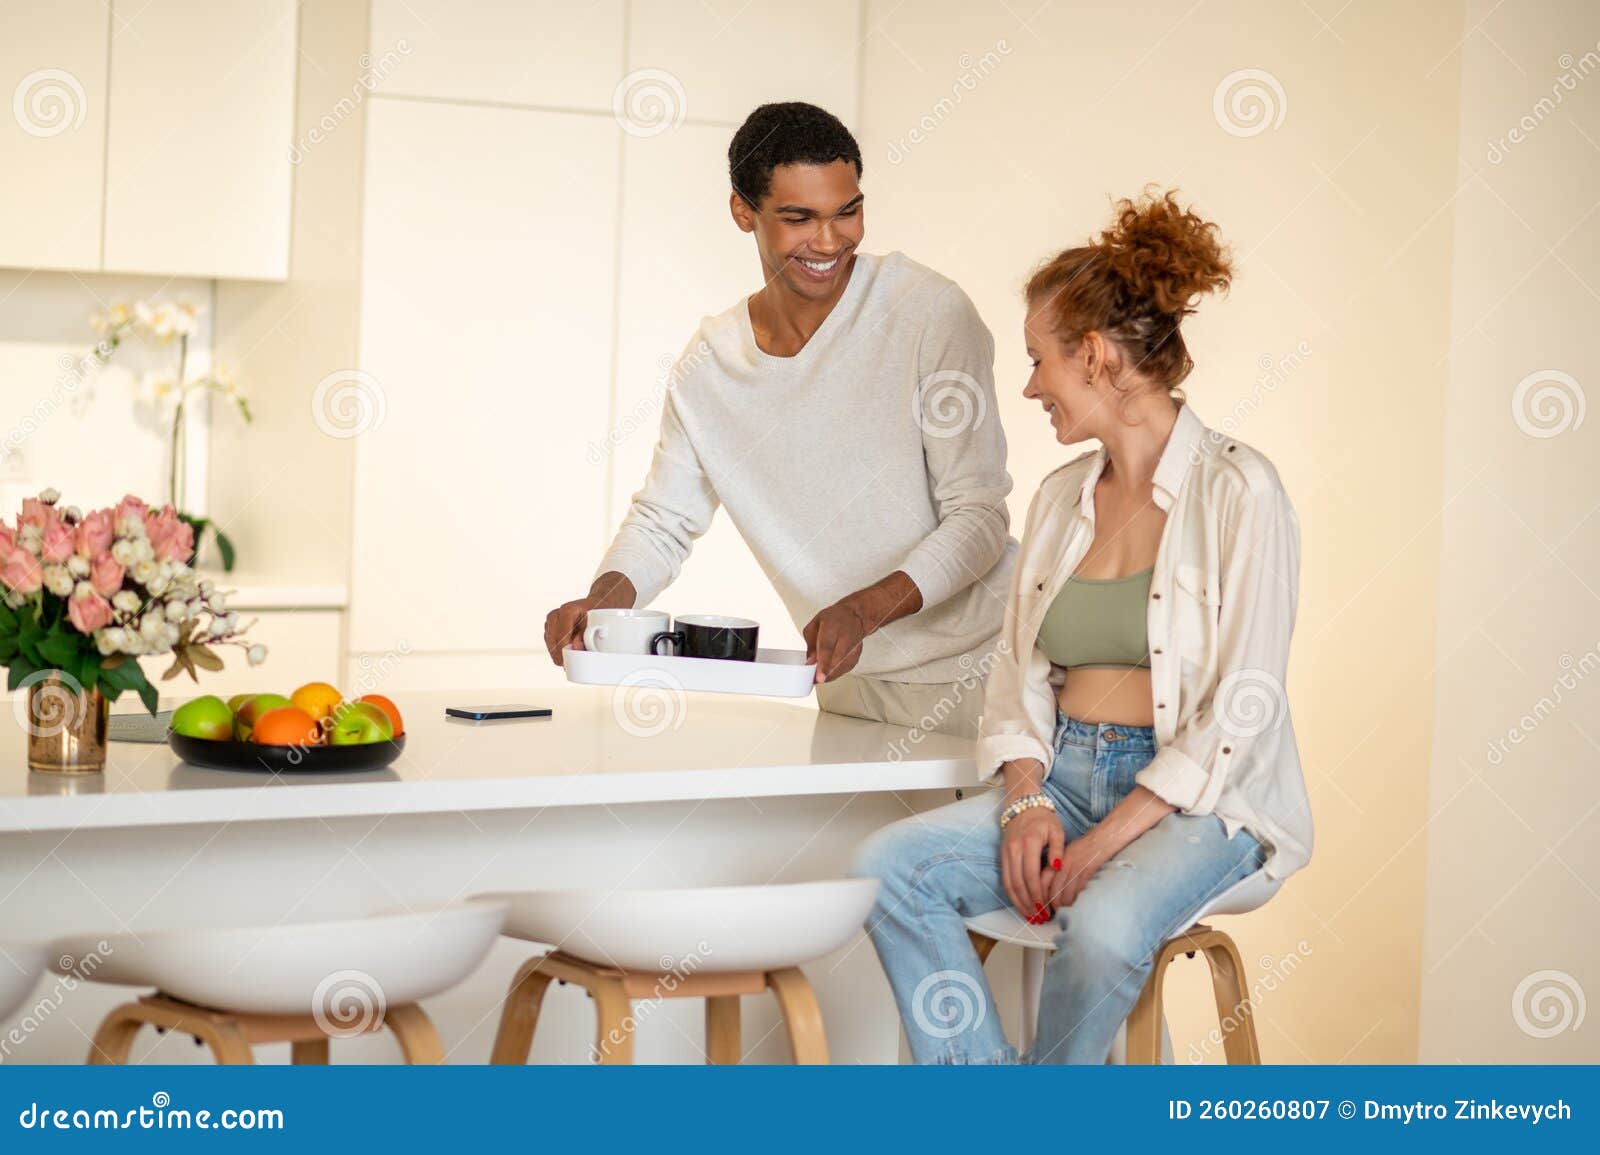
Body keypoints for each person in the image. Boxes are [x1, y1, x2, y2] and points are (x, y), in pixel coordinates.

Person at [852, 188, 1314, 1063]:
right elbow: (1017, 672)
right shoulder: (1062, 498)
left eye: (1039, 360)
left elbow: (1243, 708)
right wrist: (1026, 794)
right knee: (888, 869)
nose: (1028, 386)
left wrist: (1106, 838)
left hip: (1202, 804)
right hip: (1064, 775)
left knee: (1100, 931)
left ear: (1095, 356)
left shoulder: (1241, 491)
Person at [544, 102, 1015, 736]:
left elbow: (980, 516)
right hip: (847, 684)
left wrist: (863, 610)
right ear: (744, 211)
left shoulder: (927, 312)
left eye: (847, 211)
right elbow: (663, 521)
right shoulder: (710, 366)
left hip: (989, 670)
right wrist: (600, 607)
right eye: (799, 219)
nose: (830, 241)